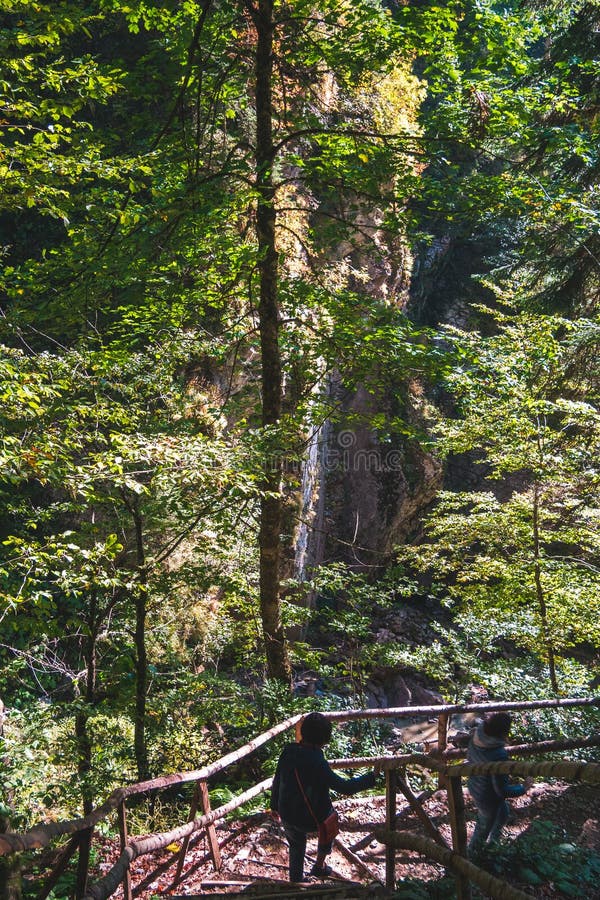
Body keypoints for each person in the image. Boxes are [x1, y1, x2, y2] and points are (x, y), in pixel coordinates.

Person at [270, 711, 380, 882]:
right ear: (324, 739)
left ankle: (296, 879)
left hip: (286, 813)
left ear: (303, 732)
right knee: (330, 819)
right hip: (310, 820)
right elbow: (345, 787)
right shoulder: (318, 762)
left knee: (296, 844)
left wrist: (274, 806)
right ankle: (319, 866)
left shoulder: (288, 751)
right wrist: (371, 777)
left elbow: (277, 779)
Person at [467, 712, 533, 854]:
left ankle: (493, 845)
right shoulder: (498, 754)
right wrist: (524, 787)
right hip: (487, 796)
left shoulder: (478, 734)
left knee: (503, 813)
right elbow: (502, 791)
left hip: (475, 785)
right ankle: (472, 856)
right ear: (503, 732)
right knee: (483, 827)